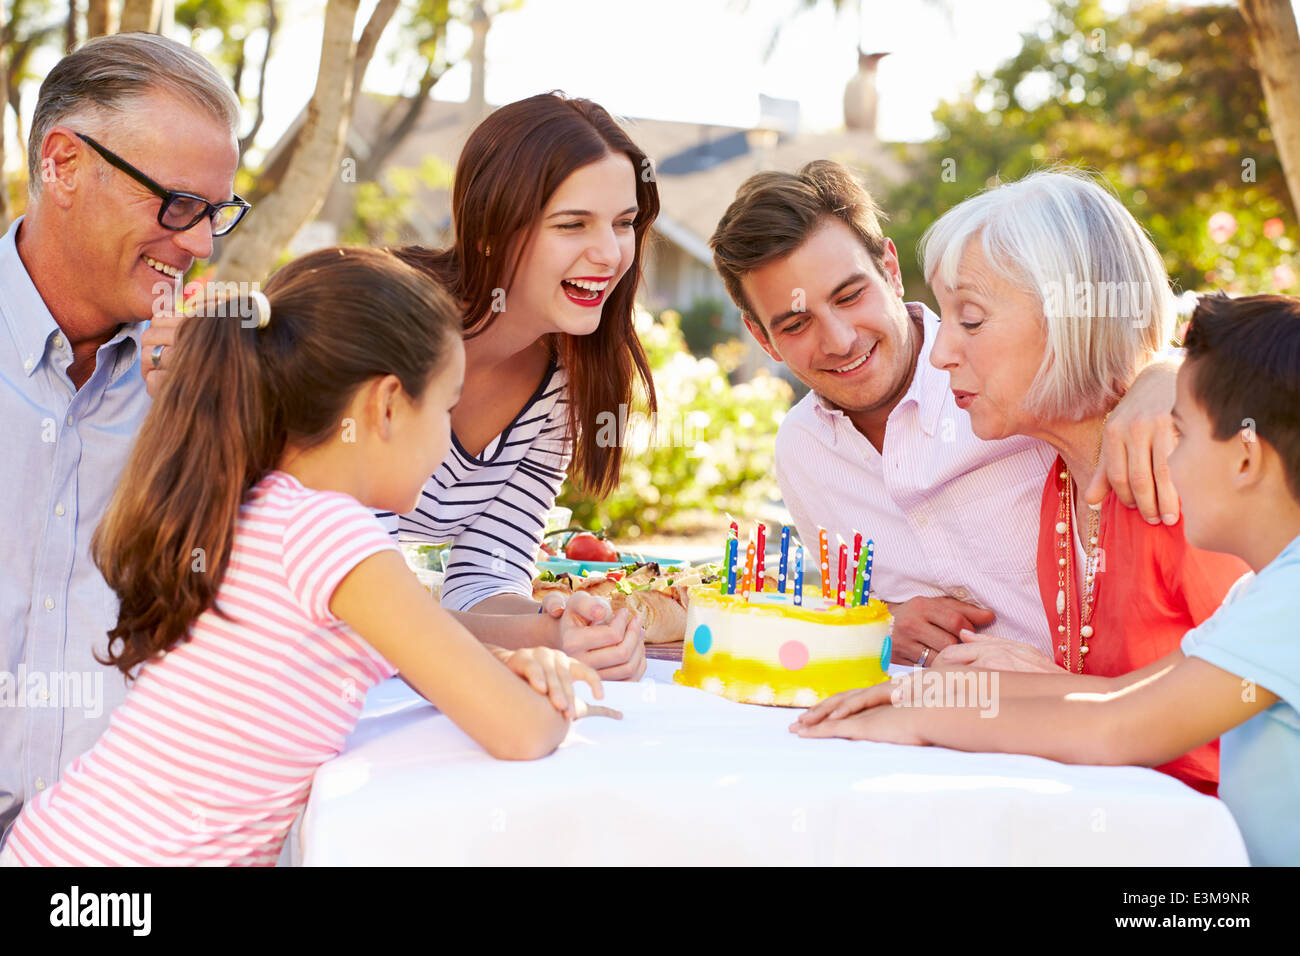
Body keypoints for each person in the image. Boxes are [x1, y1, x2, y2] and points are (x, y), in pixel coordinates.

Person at [0, 247, 622, 866]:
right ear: (384, 406)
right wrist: (557, 692)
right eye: (446, 407)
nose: (447, 441)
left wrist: (514, 660)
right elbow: (520, 732)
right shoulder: (336, 539)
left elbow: (427, 662)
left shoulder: (258, 501)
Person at [794, 293, 1300, 865]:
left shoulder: (1290, 601)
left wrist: (923, 717)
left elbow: (1117, 727)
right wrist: (929, 691)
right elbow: (1113, 693)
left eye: (1178, 435)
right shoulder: (1262, 593)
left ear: (1245, 458)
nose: (1162, 459)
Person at [709, 160, 1180, 666]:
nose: (840, 341)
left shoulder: (1018, 381)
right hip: (943, 727)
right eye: (797, 324)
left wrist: (1168, 372)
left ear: (890, 271)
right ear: (762, 338)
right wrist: (882, 622)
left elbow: (1111, 343)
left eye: (850, 296)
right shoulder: (803, 452)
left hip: (1102, 712)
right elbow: (844, 611)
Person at [914, 169, 1248, 794]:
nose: (940, 354)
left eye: (972, 319)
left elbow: (1258, 729)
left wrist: (1052, 690)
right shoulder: (1062, 485)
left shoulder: (1179, 474)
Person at [0, 32, 246, 842]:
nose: (202, 244)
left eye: (216, 213)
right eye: (177, 204)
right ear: (62, 165)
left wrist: (200, 433)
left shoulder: (205, 383)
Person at [373, 93, 660, 684]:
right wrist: (513, 653)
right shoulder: (382, 334)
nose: (609, 254)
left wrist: (554, 629)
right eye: (572, 224)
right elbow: (359, 600)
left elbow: (484, 576)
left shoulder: (561, 388)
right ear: (489, 229)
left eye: (624, 224)